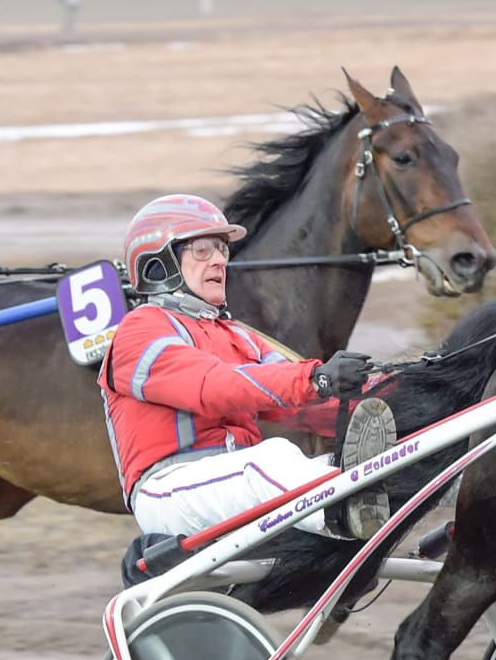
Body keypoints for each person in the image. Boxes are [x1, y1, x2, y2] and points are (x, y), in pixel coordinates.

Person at [99, 193, 395, 542]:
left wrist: (402, 392)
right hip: (168, 489)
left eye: (222, 250)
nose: (219, 261)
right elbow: (213, 386)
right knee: (272, 458)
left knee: (337, 467)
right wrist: (318, 377)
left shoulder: (237, 335)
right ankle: (342, 511)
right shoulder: (141, 329)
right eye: (202, 250)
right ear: (160, 264)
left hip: (231, 481)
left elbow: (304, 400)